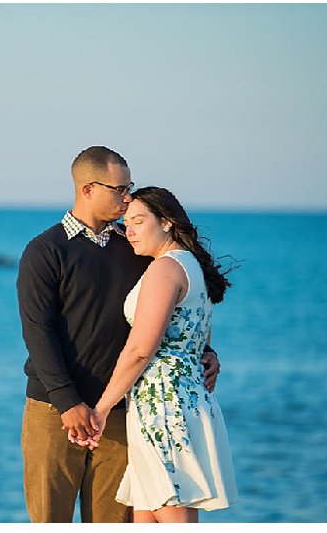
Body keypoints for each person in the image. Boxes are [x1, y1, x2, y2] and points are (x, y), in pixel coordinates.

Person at [16, 146, 221, 523]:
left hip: (121, 412)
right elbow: (37, 330)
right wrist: (68, 402)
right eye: (119, 189)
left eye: (130, 187)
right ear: (88, 189)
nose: (127, 198)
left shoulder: (136, 246)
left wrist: (204, 349)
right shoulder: (45, 251)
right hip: (53, 411)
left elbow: (171, 305)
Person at [71, 186, 238, 523]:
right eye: (126, 224)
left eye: (138, 221)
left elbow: (139, 350)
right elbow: (197, 336)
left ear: (166, 222)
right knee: (147, 514)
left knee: (171, 508)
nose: (130, 231)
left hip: (162, 405)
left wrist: (101, 409)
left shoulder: (165, 269)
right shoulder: (191, 266)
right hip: (180, 398)